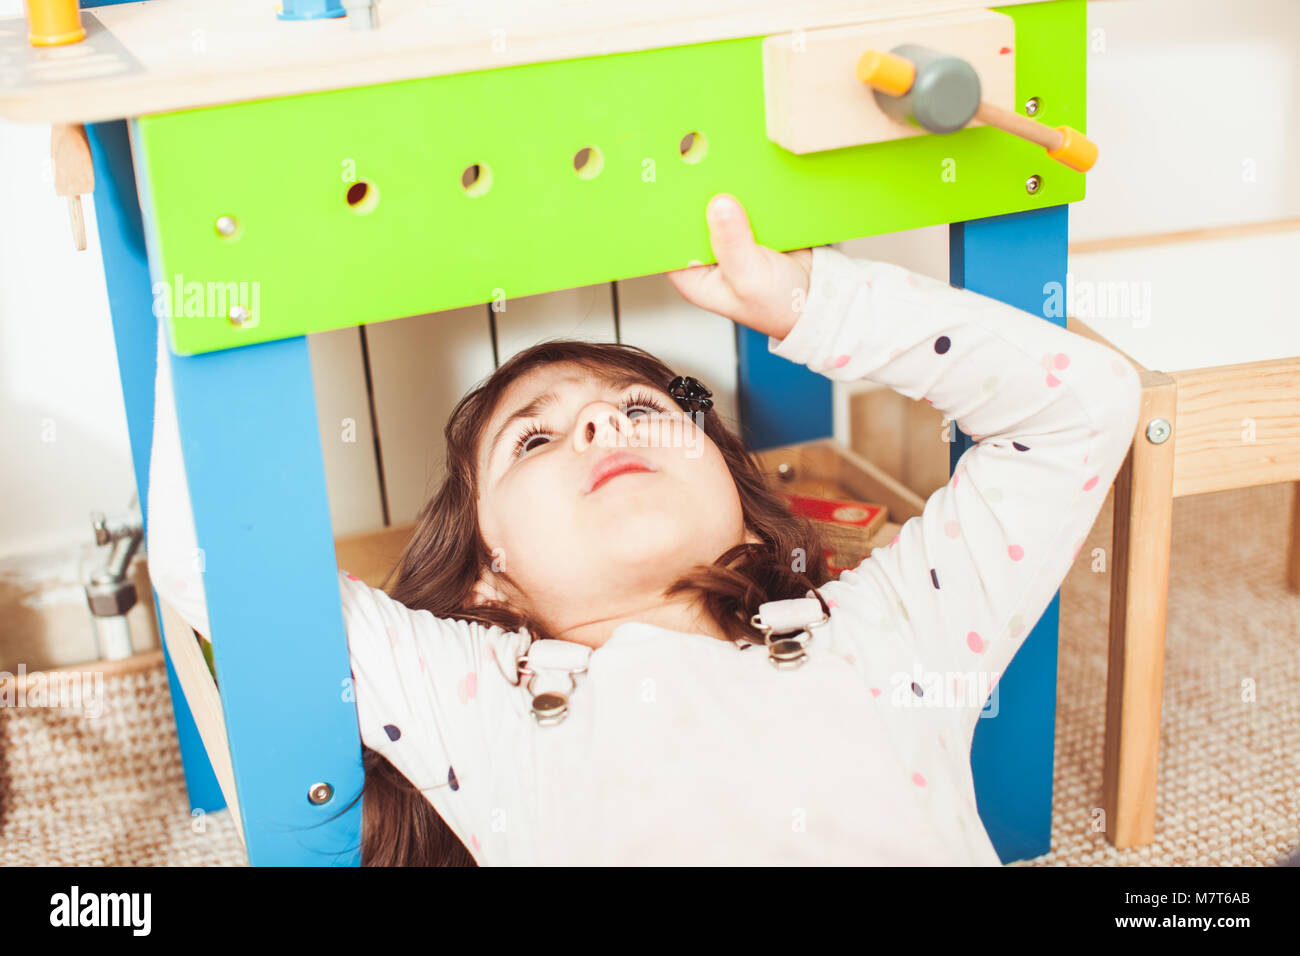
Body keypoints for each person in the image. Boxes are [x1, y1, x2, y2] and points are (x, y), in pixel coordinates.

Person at [147, 193, 1142, 865]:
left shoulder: (883, 631)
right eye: (533, 442)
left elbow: (1083, 406)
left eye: (637, 408)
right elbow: (211, 569)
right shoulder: (484, 701)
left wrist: (807, 302)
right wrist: (195, 235)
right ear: (489, 573)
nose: (595, 422)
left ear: (731, 486)